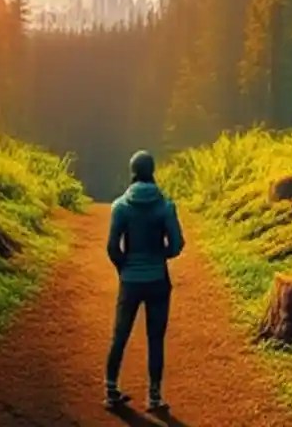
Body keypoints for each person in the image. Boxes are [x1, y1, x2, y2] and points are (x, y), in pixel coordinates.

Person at [103, 149, 185, 412]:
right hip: (158, 279)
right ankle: (153, 396)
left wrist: (124, 268)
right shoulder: (166, 205)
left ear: (132, 172)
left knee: (120, 335)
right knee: (155, 338)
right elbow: (177, 244)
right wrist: (161, 256)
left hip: (130, 280)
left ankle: (112, 390)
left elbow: (112, 247)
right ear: (153, 171)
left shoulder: (120, 207)